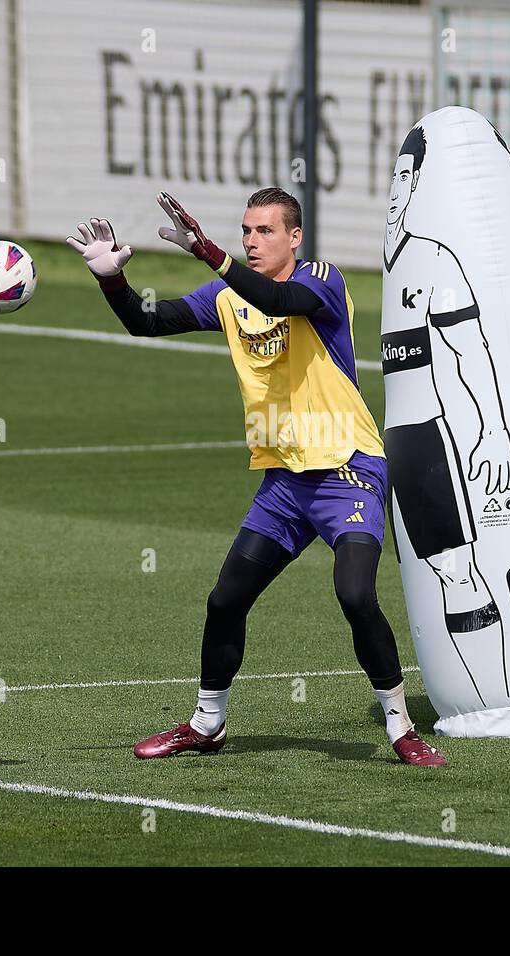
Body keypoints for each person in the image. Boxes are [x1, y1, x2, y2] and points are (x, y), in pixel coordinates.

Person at [66, 187, 445, 765]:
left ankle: (399, 725)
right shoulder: (226, 294)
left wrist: (213, 254)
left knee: (355, 593)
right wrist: (109, 279)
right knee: (225, 601)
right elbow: (148, 322)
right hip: (286, 485)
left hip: (348, 469)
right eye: (246, 230)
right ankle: (207, 722)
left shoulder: (321, 280)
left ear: (295, 237)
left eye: (266, 231)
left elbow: (277, 297)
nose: (252, 240)